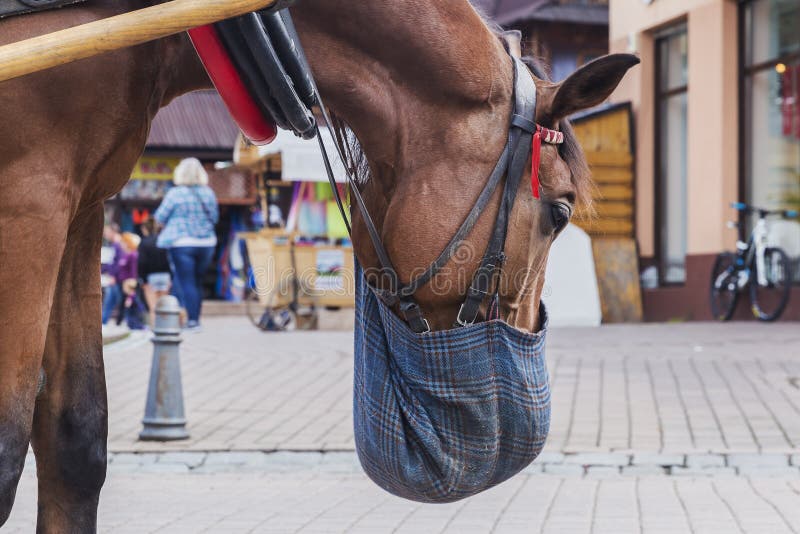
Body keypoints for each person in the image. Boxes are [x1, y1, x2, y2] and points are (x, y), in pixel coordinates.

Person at [154, 158, 219, 332]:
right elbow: (215, 218)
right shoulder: (208, 193)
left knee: (187, 282)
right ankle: (195, 320)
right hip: (206, 243)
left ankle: (191, 322)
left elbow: (160, 217)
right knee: (197, 282)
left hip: (182, 242)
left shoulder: (175, 193)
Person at [138, 219, 173, 327]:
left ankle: (155, 331)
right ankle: (166, 328)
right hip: (165, 276)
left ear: (145, 229)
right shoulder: (164, 241)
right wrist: (171, 277)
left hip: (151, 277)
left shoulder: (144, 243)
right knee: (163, 306)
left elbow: (142, 262)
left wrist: (142, 279)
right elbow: (170, 260)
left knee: (153, 307)